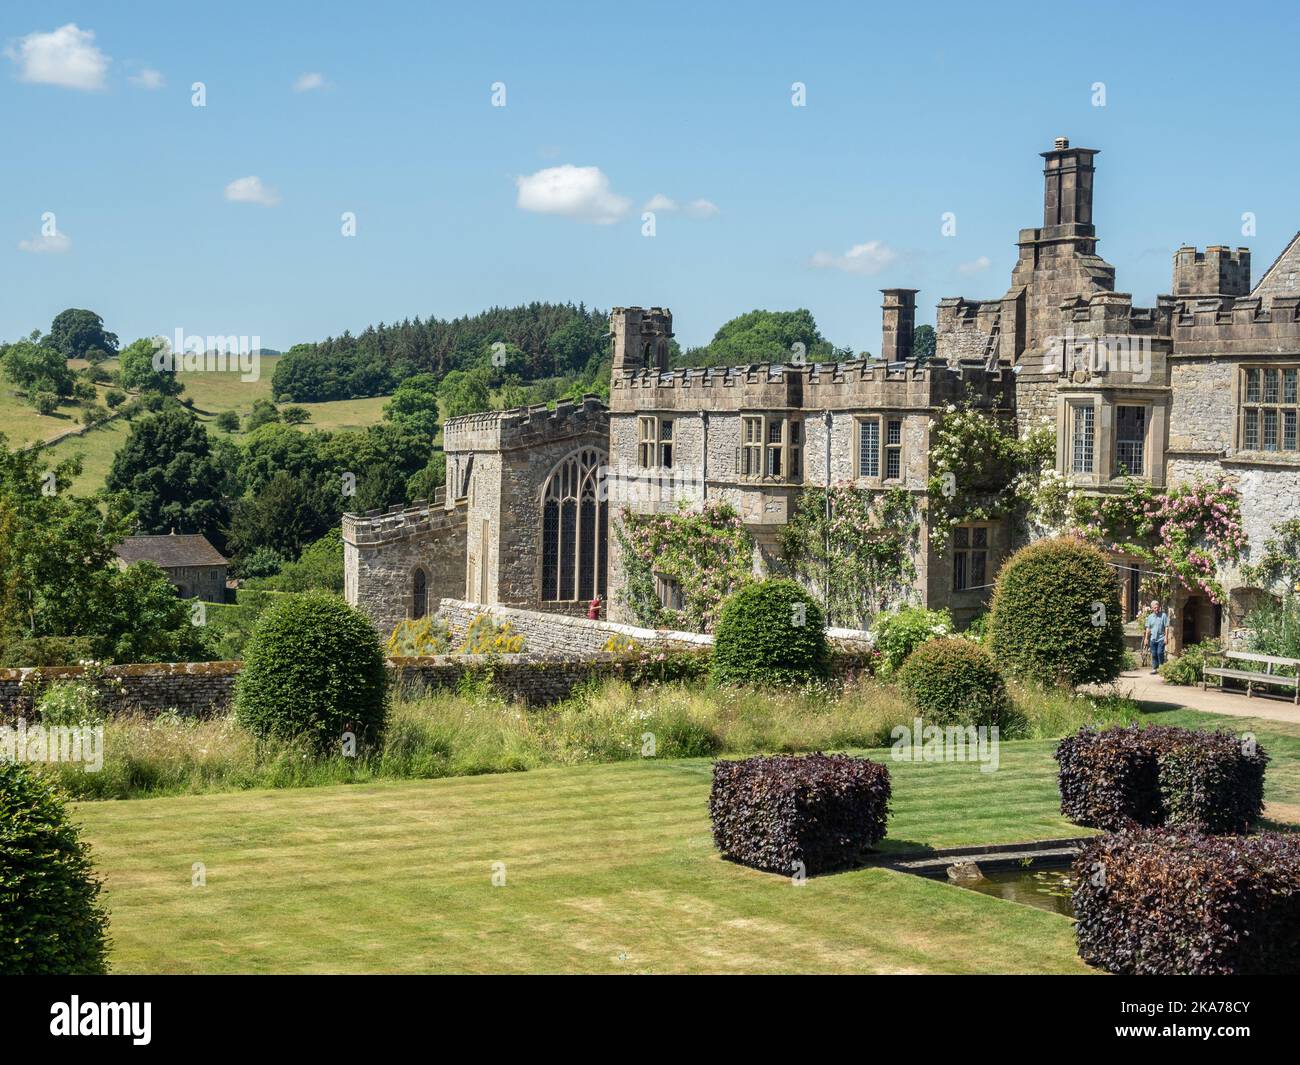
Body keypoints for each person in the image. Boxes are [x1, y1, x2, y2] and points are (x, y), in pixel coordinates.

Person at [1143, 599, 1169, 674]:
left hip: (1161, 638)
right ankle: (1155, 668)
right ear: (1152, 608)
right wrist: (1146, 639)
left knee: (1160, 652)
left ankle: (1161, 667)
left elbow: (1166, 627)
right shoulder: (1150, 617)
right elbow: (1148, 628)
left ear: (1159, 607)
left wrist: (1166, 638)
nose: (1156, 609)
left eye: (1157, 607)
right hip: (1153, 638)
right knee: (1154, 653)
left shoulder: (1163, 615)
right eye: (1154, 608)